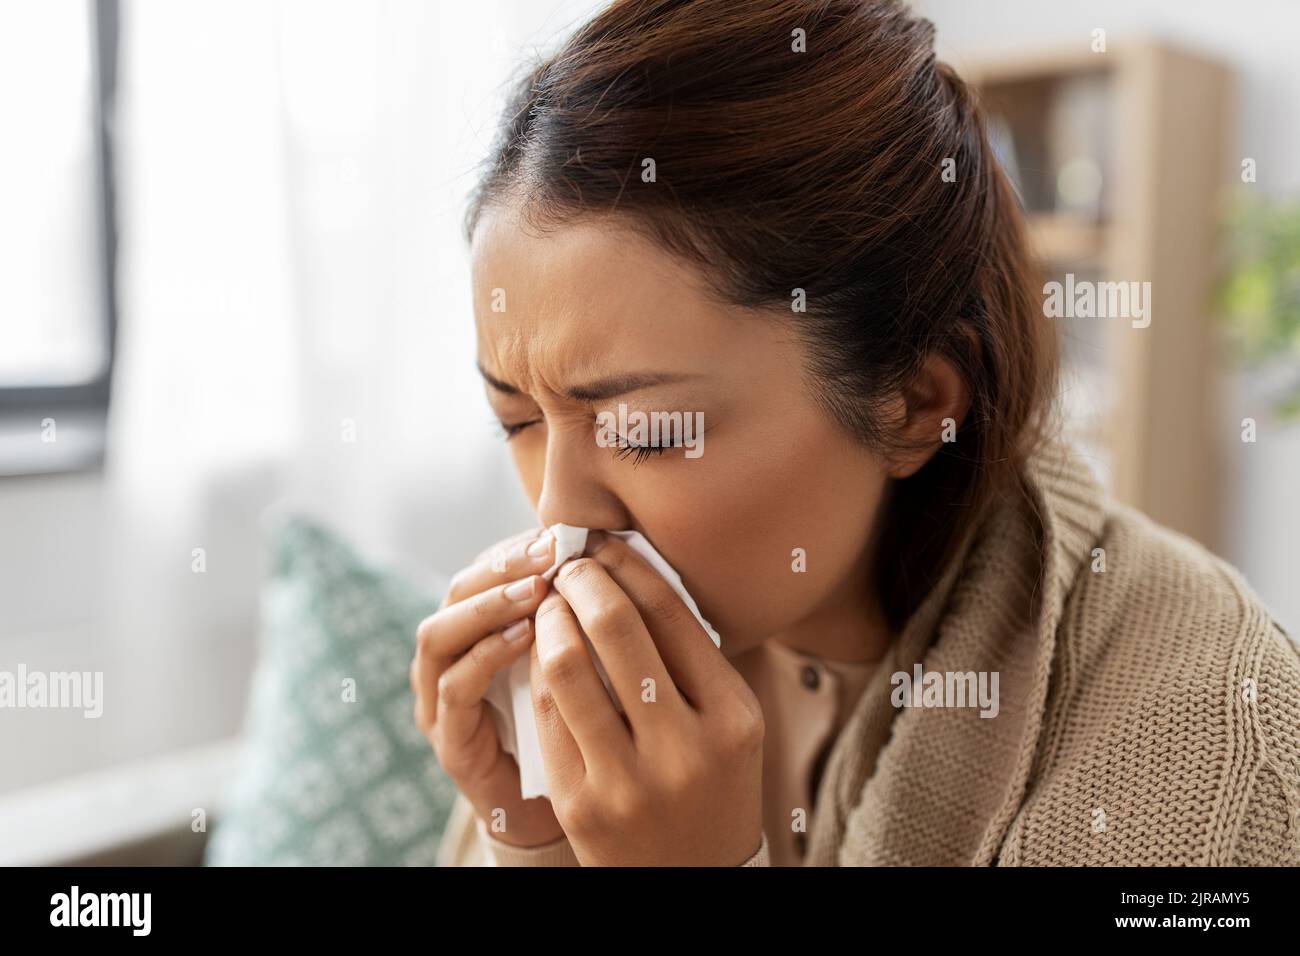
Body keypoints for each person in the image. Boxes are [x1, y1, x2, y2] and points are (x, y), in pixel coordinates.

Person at [410, 0, 1300, 866]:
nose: (558, 511)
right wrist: (534, 838)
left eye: (644, 430)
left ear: (913, 401)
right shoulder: (607, 676)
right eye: (517, 421)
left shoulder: (1212, 724)